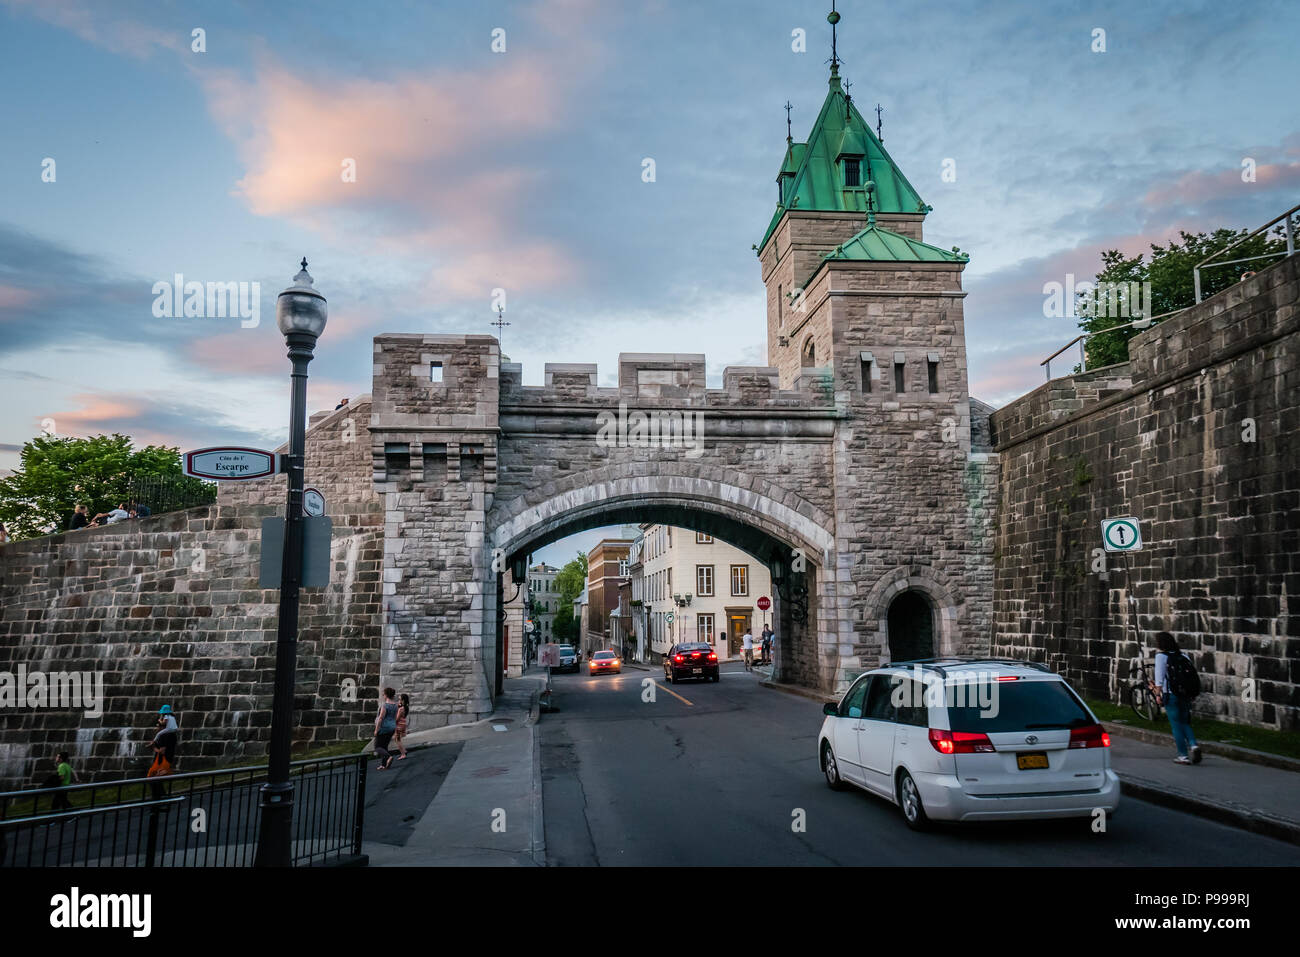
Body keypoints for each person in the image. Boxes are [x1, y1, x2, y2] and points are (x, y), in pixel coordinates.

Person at [1153, 632, 1201, 765]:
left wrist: (1158, 695)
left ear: (1161, 644)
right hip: (1185, 694)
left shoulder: (1161, 657)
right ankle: (1193, 745)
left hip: (1171, 694)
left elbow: (1159, 679)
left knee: (1176, 725)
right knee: (1185, 722)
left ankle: (1183, 755)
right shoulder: (1183, 656)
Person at [374, 687, 399, 771]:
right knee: (384, 747)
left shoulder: (385, 705)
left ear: (387, 695)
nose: (383, 695)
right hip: (392, 727)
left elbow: (381, 718)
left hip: (384, 728)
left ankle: (389, 757)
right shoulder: (395, 705)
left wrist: (376, 730)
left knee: (377, 747)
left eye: (383, 694)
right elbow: (395, 717)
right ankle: (383, 765)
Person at [394, 693, 410, 760]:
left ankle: (403, 754)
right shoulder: (406, 707)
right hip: (403, 724)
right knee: (398, 739)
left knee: (397, 740)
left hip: (399, 725)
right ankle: (404, 751)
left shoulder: (401, 709)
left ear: (403, 700)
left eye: (400, 699)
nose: (398, 700)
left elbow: (397, 719)